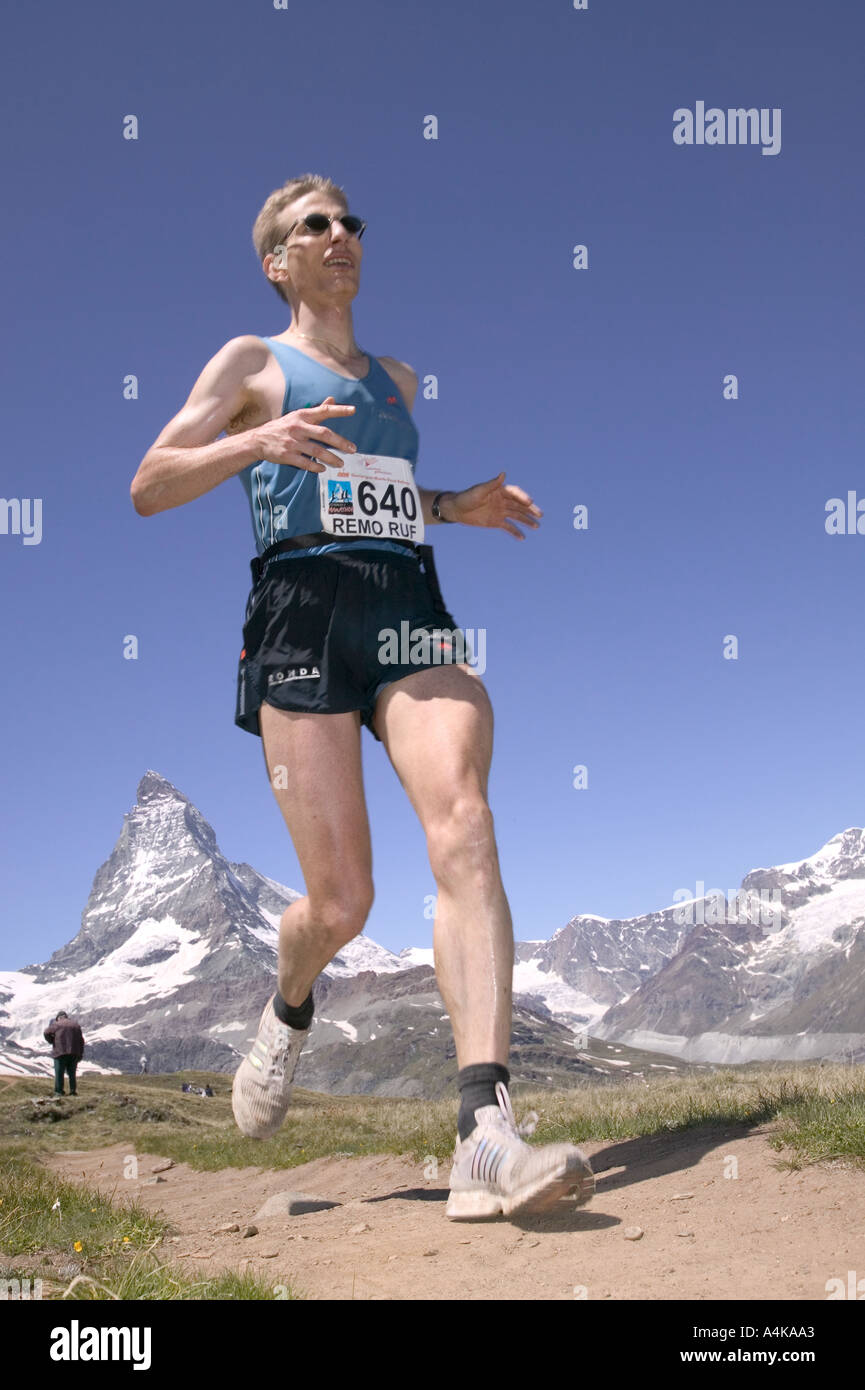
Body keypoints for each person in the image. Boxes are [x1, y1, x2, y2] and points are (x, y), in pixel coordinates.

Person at [130, 173, 594, 1220]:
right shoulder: (252, 362)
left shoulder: (398, 379)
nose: (340, 234)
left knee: (466, 821)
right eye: (314, 225)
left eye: (350, 221)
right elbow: (150, 481)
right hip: (297, 613)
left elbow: (373, 489)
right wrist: (254, 440)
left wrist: (452, 504)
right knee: (342, 901)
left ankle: (483, 1130)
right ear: (278, 262)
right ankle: (289, 1001)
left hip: (402, 599)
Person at [43, 1011, 85, 1096]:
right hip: (74, 1052)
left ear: (58, 1018)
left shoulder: (57, 1024)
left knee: (59, 1073)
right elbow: (81, 1041)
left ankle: (59, 1092)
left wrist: (51, 1040)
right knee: (72, 1073)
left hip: (60, 1052)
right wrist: (80, 1053)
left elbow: (46, 1032)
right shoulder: (76, 1025)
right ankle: (73, 1091)